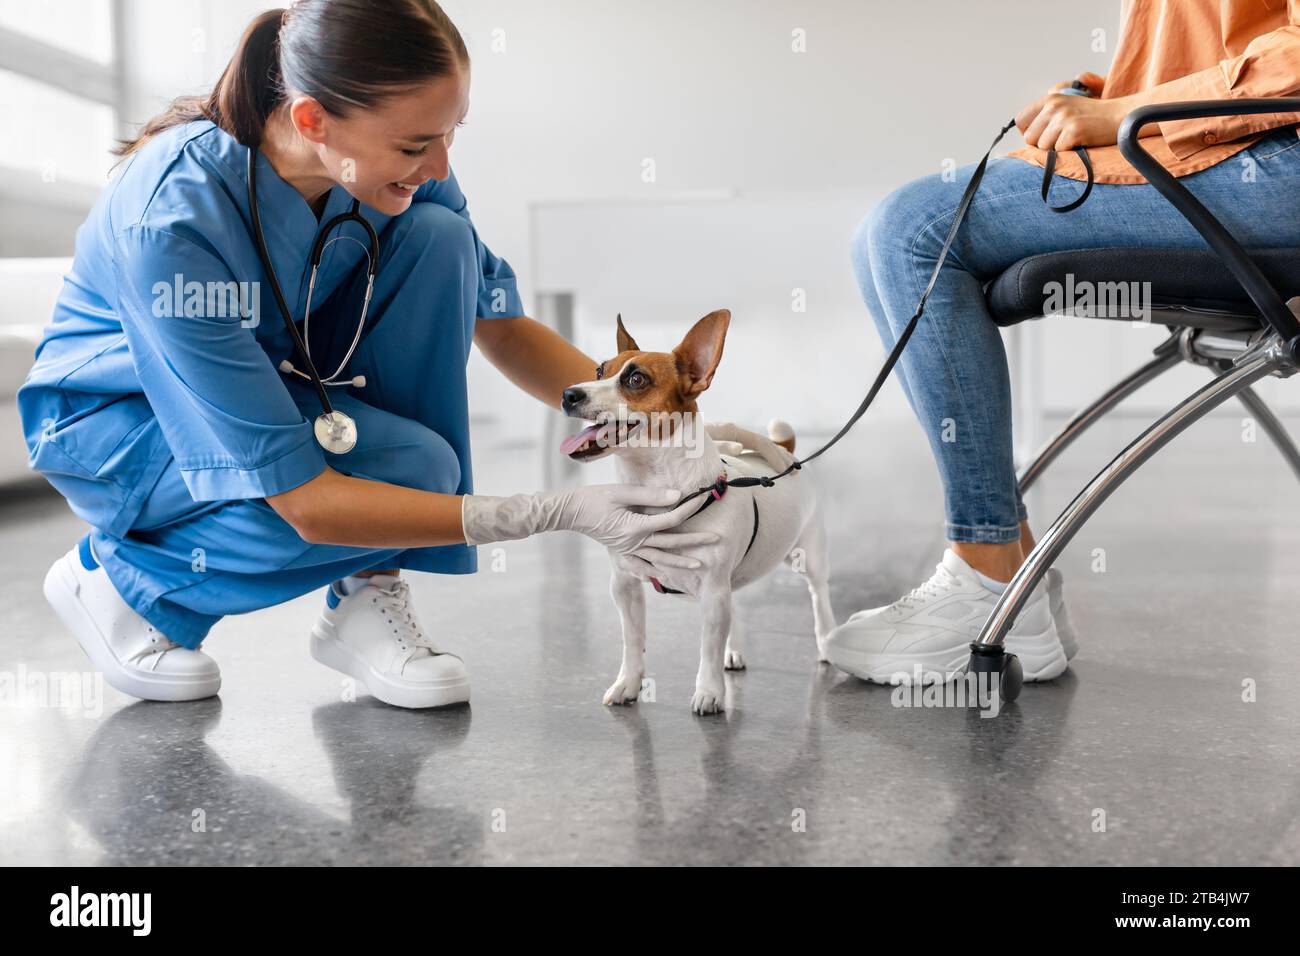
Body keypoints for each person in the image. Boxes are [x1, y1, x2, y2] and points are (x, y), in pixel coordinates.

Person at [20, 0, 715, 709]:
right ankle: (125, 582)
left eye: (451, 134)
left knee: (439, 242)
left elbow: (500, 326)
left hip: (268, 371)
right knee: (418, 474)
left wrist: (659, 420)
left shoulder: (400, 165)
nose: (440, 163)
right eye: (417, 145)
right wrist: (556, 511)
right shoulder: (173, 221)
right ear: (314, 120)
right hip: (122, 423)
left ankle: (366, 593)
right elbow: (307, 506)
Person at [826, 0, 1300, 683]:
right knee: (893, 234)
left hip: (1274, 168)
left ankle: (987, 573)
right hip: (1216, 143)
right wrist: (1107, 100)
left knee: (911, 232)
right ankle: (1007, 578)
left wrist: (1121, 120)